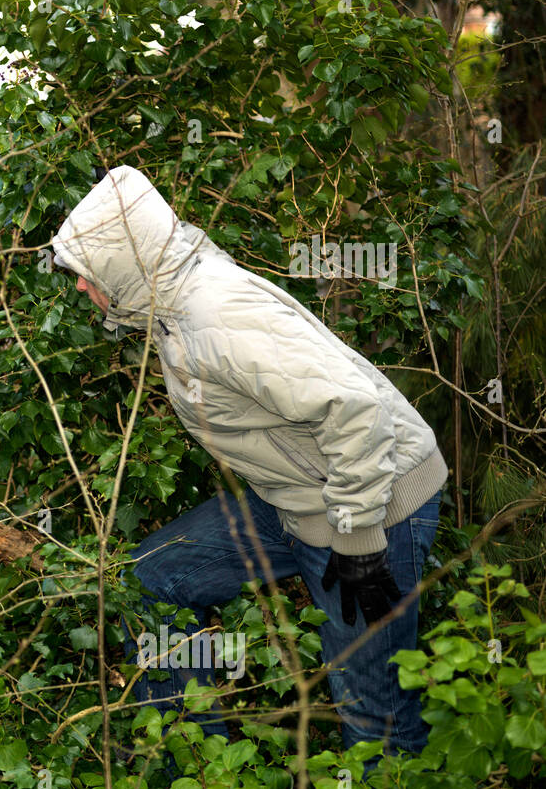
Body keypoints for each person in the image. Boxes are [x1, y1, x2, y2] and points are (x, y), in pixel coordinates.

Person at [51, 165, 447, 756]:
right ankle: (203, 775)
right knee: (149, 579)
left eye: (85, 274)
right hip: (296, 500)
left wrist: (360, 544)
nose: (81, 288)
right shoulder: (174, 311)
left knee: (373, 714)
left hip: (374, 505)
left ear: (121, 263)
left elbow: (355, 410)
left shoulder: (217, 315)